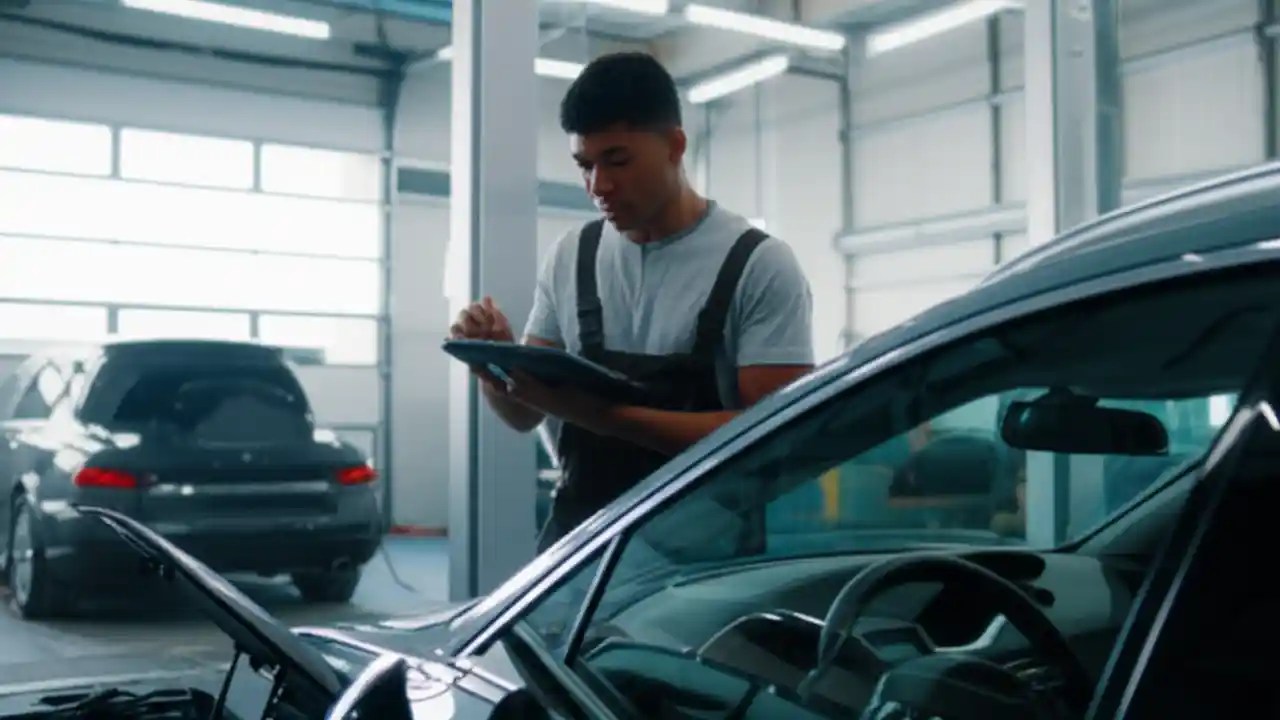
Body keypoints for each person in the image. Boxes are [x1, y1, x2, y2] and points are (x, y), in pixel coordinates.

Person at [449, 52, 815, 551]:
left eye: (617, 161)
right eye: (585, 165)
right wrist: (495, 369)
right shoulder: (571, 257)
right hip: (580, 549)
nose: (598, 186)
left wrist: (598, 414)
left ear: (675, 146)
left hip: (701, 560)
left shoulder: (758, 264)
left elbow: (771, 440)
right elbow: (525, 416)